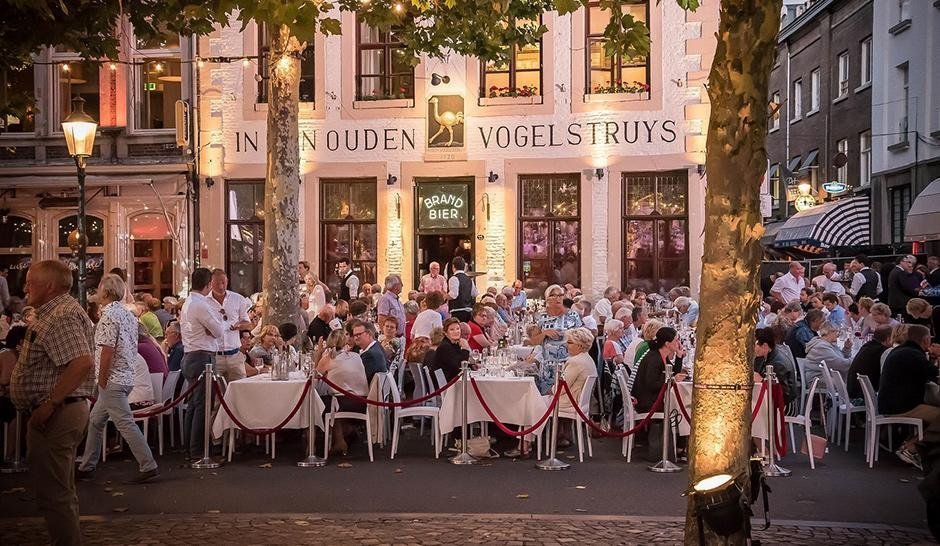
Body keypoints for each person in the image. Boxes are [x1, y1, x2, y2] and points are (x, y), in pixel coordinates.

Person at [9, 260, 95, 545]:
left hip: (59, 412)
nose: (25, 288)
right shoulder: (55, 313)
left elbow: (81, 362)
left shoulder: (61, 315)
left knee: (55, 494)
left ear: (49, 286)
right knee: (57, 491)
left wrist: (49, 404)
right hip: (59, 409)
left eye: (30, 283)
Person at [179, 267, 226, 462]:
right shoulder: (201, 305)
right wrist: (216, 323)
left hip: (191, 354)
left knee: (194, 405)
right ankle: (198, 451)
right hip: (202, 357)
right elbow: (218, 331)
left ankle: (191, 448)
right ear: (208, 285)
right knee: (202, 406)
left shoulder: (188, 303)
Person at [879, 325, 940, 469]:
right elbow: (935, 374)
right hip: (901, 407)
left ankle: (908, 445)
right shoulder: (914, 355)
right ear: (926, 340)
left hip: (890, 403)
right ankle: (911, 449)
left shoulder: (902, 351)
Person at [314, 329, 368, 455]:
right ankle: (346, 432)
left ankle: (334, 440)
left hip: (343, 403)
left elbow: (314, 376)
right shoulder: (356, 356)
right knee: (333, 399)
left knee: (320, 402)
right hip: (363, 402)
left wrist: (319, 353)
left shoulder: (327, 359)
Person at [546, 327, 597, 446]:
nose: (566, 345)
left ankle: (525, 443)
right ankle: (562, 435)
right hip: (580, 402)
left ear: (579, 346)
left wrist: (550, 390)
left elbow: (560, 389)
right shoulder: (588, 359)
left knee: (532, 404)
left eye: (569, 342)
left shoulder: (575, 362)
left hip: (569, 403)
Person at [529, 284, 583, 394]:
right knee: (547, 398)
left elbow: (582, 338)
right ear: (547, 298)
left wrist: (567, 337)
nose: (558, 298)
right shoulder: (542, 317)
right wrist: (544, 334)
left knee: (565, 394)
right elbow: (533, 341)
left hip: (568, 364)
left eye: (560, 295)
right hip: (548, 367)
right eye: (554, 295)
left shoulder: (573, 315)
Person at [205, 268, 253, 383]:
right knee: (217, 390)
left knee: (240, 388)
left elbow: (248, 324)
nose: (221, 286)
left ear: (227, 281)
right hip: (215, 356)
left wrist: (239, 326)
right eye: (217, 283)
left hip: (234, 355)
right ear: (210, 283)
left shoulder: (238, 299)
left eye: (223, 283)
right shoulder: (205, 302)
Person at [631, 327, 685, 413]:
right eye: (676, 340)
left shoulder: (662, 355)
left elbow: (674, 373)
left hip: (655, 397)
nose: (679, 343)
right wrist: (673, 380)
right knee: (683, 404)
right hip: (648, 402)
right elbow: (652, 384)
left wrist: (679, 356)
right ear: (667, 344)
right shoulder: (654, 358)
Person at [846, 325, 893, 400]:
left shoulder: (866, 346)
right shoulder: (883, 352)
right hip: (863, 397)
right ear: (888, 339)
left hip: (853, 392)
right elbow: (886, 378)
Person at [753, 327, 798, 406]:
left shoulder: (778, 363)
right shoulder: (764, 356)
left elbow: (782, 393)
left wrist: (762, 380)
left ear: (764, 346)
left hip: (785, 406)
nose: (753, 349)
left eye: (755, 345)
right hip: (770, 400)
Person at [0, 325, 27, 425]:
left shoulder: (5, 352)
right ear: (21, 341)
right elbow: (4, 380)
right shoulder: (9, 354)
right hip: (5, 401)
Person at [430, 318, 470, 385]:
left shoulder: (454, 344)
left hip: (451, 380)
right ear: (446, 333)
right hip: (447, 385)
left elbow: (458, 360)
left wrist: (471, 365)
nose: (456, 331)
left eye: (458, 329)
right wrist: (465, 349)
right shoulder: (445, 347)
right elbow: (459, 367)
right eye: (452, 329)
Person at [351, 319, 387, 385]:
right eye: (354, 335)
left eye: (358, 335)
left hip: (369, 389)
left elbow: (359, 380)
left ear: (369, 333)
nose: (355, 338)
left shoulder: (370, 355)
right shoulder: (377, 345)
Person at [447, 256, 477, 322]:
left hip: (457, 310)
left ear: (453, 266)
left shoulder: (454, 278)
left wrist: (444, 296)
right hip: (468, 310)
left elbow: (454, 295)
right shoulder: (469, 279)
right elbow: (474, 293)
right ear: (464, 267)